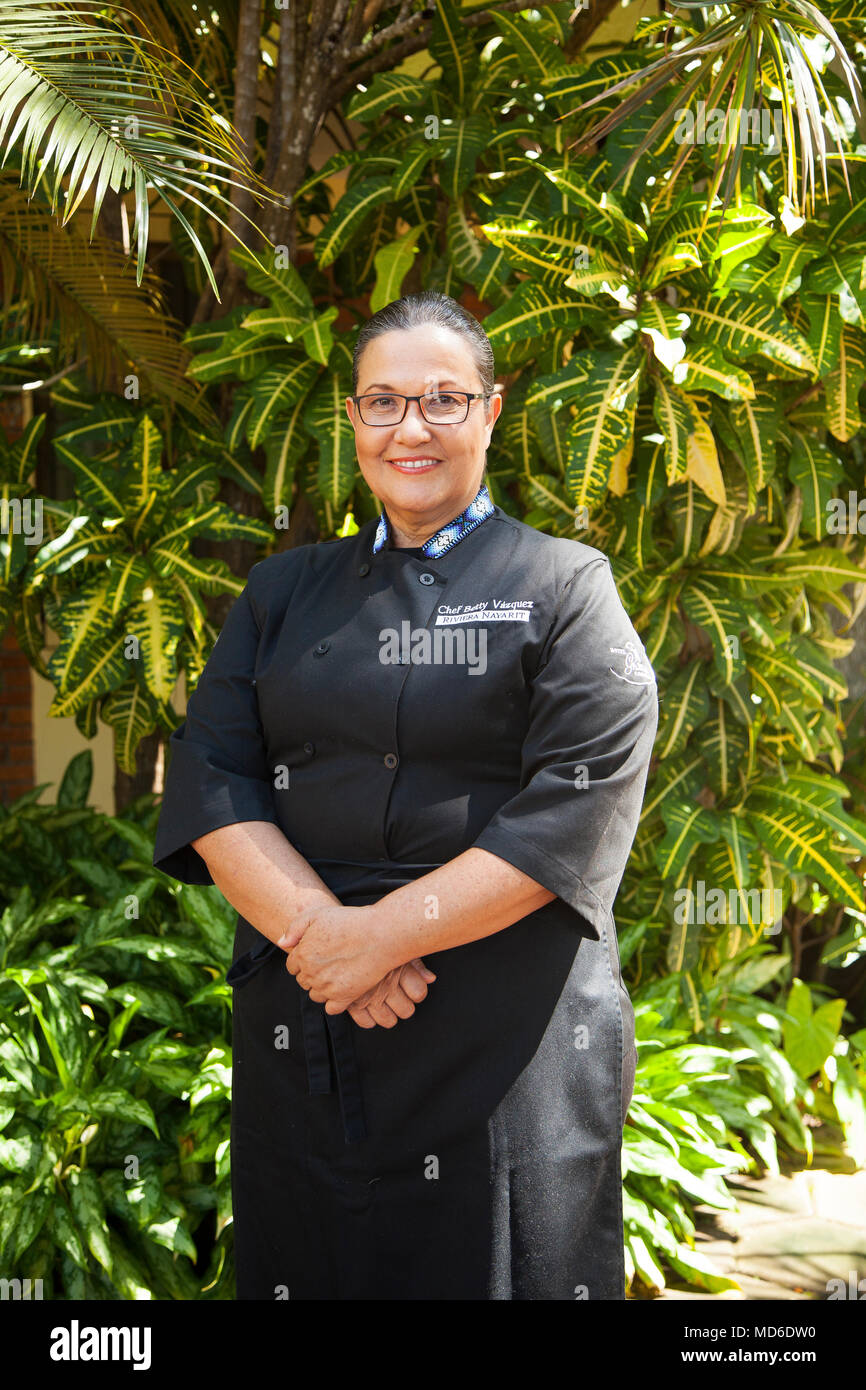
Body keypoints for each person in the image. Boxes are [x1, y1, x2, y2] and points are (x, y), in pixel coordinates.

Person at [152, 290, 659, 1301]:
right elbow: (214, 774)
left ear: (489, 411)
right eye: (382, 403)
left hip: (499, 1033)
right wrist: (323, 935)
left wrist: (383, 934)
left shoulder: (563, 586)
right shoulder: (279, 594)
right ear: (352, 421)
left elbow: (578, 796)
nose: (409, 428)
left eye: (441, 399)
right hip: (312, 1014)